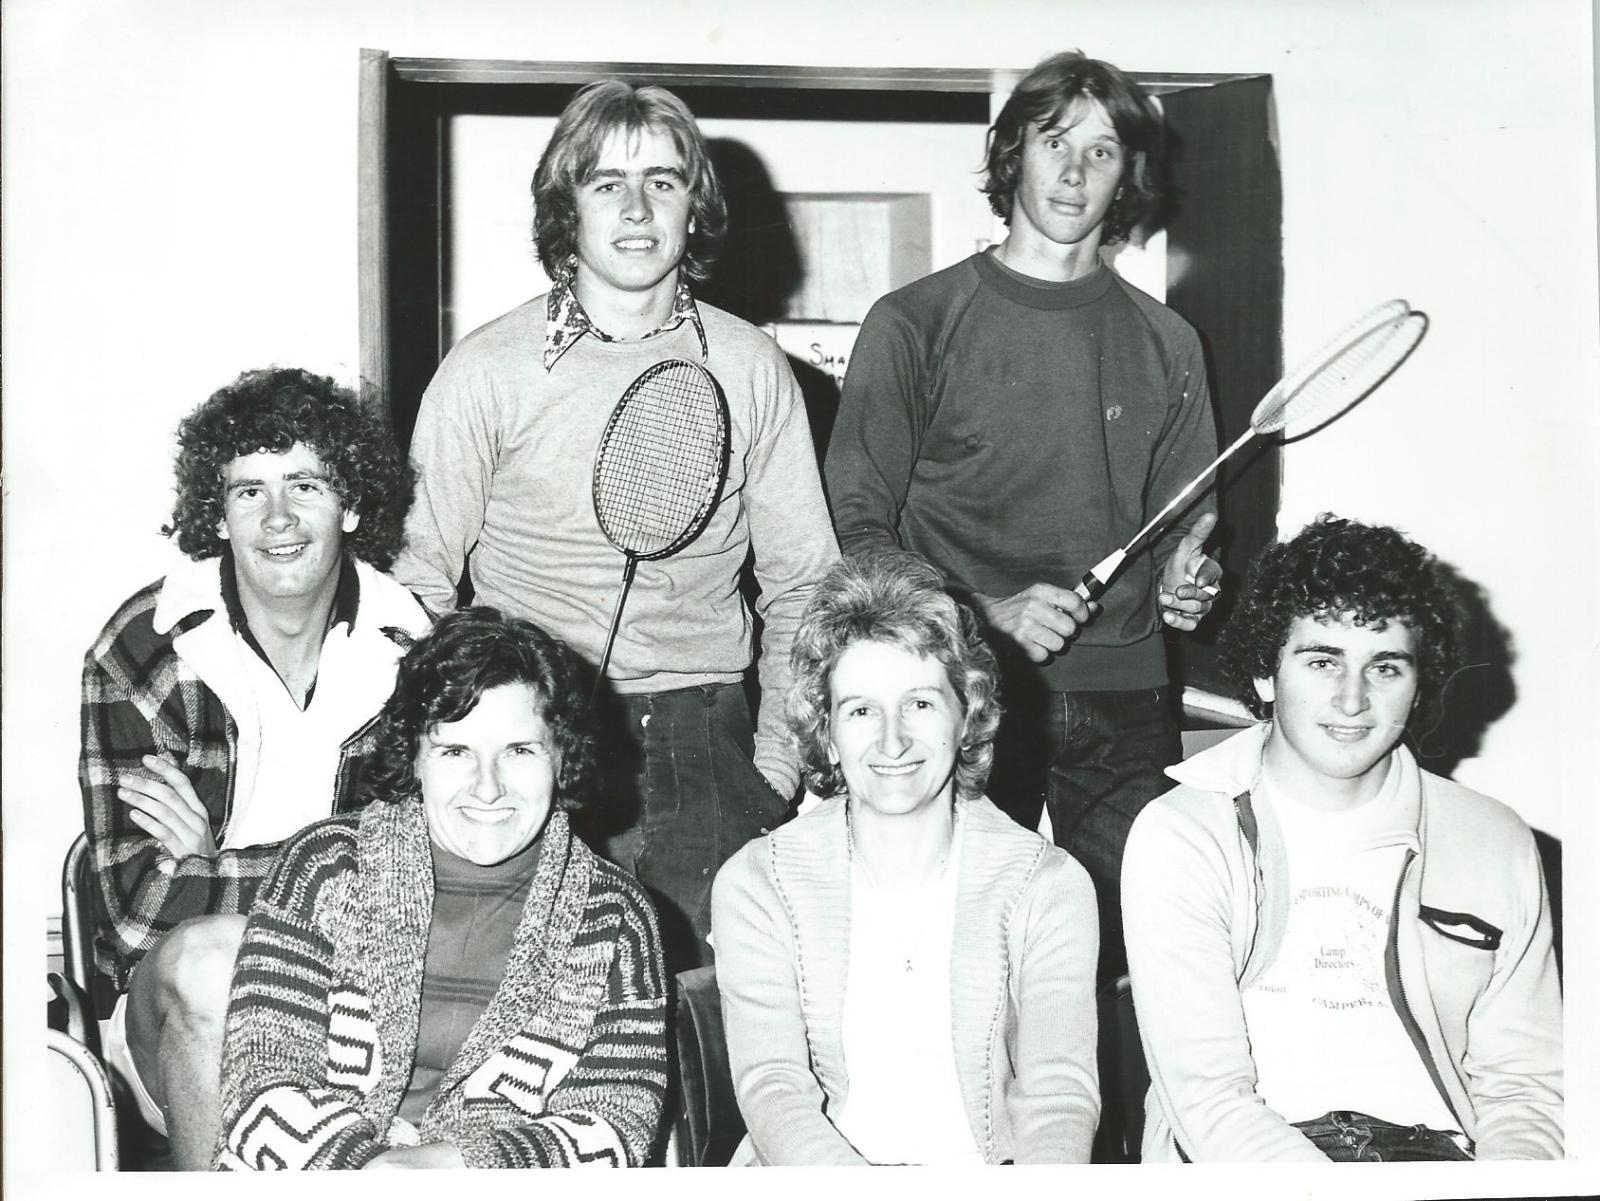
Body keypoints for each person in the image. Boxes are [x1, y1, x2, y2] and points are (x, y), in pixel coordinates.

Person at [392, 79, 839, 970]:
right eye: (605, 183)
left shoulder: (753, 369)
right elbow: (417, 586)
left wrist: (775, 767)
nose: (636, 209)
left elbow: (805, 586)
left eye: (664, 182)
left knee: (709, 1040)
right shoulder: (484, 371)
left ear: (694, 206)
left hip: (702, 736)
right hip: (528, 736)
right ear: (568, 209)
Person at [823, 51, 1222, 969]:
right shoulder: (915, 321)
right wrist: (974, 620)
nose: (1076, 172)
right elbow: (858, 526)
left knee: (1128, 961)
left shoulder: (1168, 342)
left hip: (1126, 697)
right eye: (1054, 143)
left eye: (1103, 150)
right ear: (1013, 156)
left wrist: (1184, 581)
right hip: (960, 689)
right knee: (961, 958)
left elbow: (1181, 530)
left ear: (1131, 175)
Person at [1122, 515, 1563, 1162]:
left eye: (1385, 667)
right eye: (1323, 660)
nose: (1352, 698)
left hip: (1442, 1162)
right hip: (1256, 1171)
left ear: (1418, 687)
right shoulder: (1184, 835)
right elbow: (1209, 1100)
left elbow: (1526, 1092)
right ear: (1268, 675)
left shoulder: (1495, 841)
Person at [78, 366, 431, 1168]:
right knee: (214, 963)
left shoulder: (416, 654)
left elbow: (425, 881)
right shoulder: (144, 649)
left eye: (303, 484)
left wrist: (211, 863)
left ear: (351, 503)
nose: (278, 518)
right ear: (219, 513)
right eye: (247, 491)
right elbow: (138, 912)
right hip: (175, 1010)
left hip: (365, 998)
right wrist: (342, 864)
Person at [214, 607, 668, 1169]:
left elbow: (615, 1125)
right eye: (456, 751)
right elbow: (260, 1088)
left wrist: (449, 1167)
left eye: (520, 751)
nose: (487, 787)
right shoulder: (325, 868)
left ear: (562, 757)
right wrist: (371, 1170)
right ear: (416, 758)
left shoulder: (616, 917)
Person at [711, 552, 1100, 1165]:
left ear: (965, 715)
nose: (892, 740)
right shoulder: (759, 883)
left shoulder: (1048, 885)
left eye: (919, 703)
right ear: (828, 733)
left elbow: (1060, 1098)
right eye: (861, 710)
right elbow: (774, 1091)